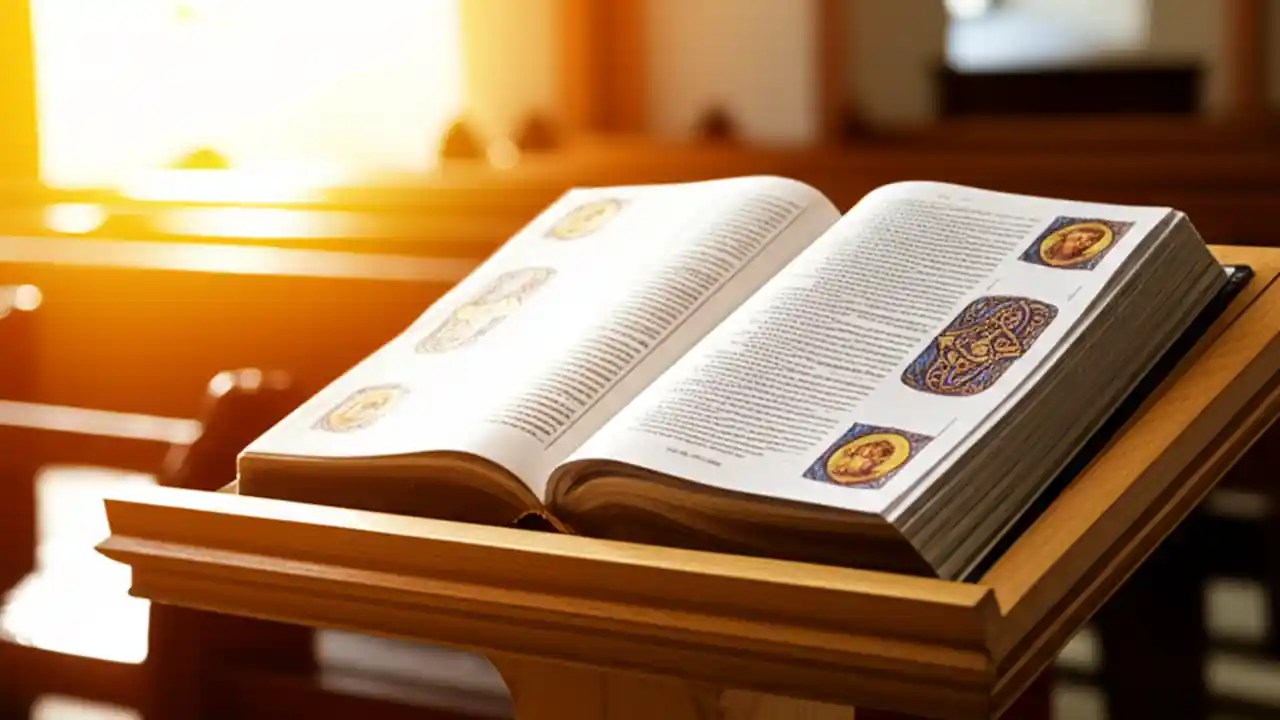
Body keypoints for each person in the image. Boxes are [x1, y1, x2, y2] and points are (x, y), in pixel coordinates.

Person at [827, 438, 897, 484]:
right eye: (872, 449)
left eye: (872, 453)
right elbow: (850, 451)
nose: (867, 453)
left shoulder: (868, 463)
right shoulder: (858, 451)